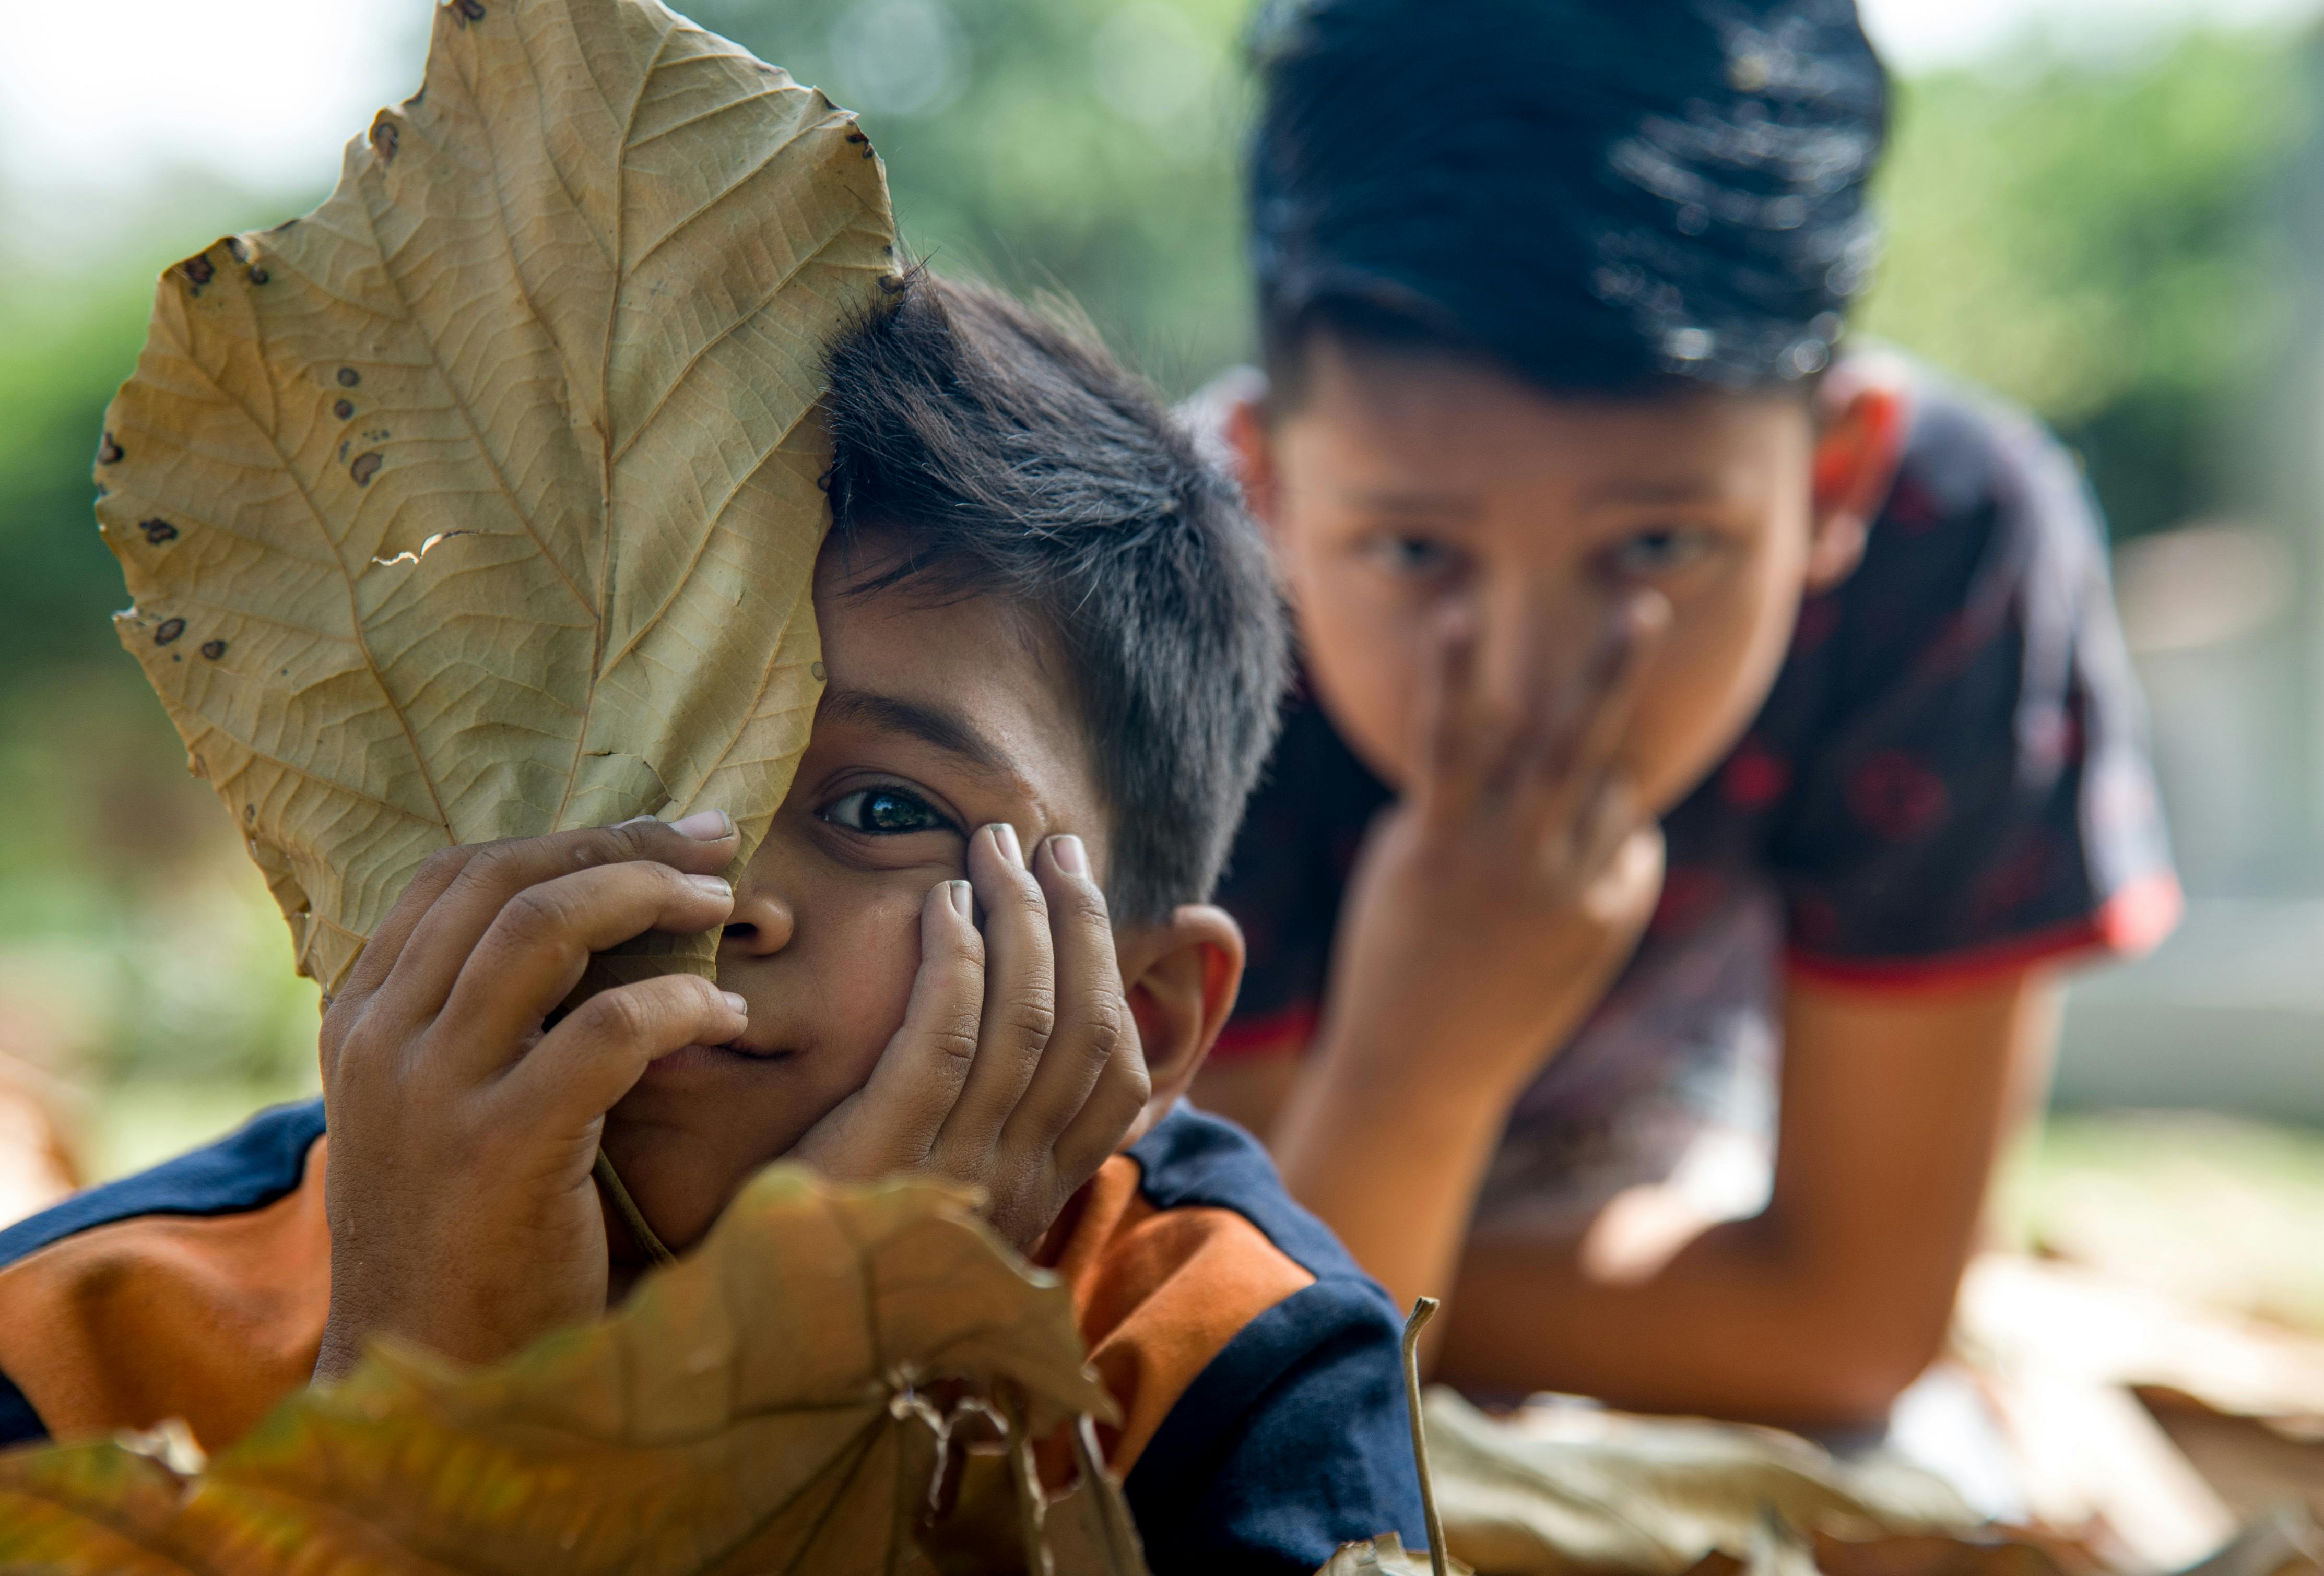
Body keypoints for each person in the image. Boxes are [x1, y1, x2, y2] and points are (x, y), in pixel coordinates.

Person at [0, 275, 1424, 1572]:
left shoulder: (1220, 1352)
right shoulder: (79, 1343)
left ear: (1147, 1010)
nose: (713, 891)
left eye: (879, 810)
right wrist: (407, 1408)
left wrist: (836, 1411)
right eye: (608, 766)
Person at [1190, 0, 2180, 1428]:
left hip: (1642, 1181)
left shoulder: (1942, 557)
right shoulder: (1163, 602)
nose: (1527, 681)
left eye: (1657, 547)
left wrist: (1313, 1245)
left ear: (1836, 479)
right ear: (1265, 483)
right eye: (1416, 551)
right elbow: (1238, 1396)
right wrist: (1416, 1072)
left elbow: (1849, 1327)